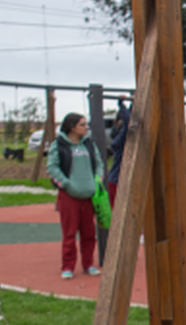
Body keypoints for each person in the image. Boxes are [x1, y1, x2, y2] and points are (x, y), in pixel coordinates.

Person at [46, 113, 104, 279]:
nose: (86, 127)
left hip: (88, 195)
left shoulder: (89, 144)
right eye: (82, 124)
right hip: (69, 196)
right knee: (69, 233)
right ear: (72, 127)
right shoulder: (59, 145)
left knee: (89, 233)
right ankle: (68, 266)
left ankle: (88, 264)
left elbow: (99, 163)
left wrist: (97, 180)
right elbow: (52, 168)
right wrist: (67, 184)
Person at [106, 99, 131, 208]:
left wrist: (132, 103)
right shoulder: (121, 141)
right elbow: (128, 122)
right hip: (117, 181)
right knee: (118, 212)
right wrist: (121, 104)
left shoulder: (120, 139)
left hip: (117, 181)